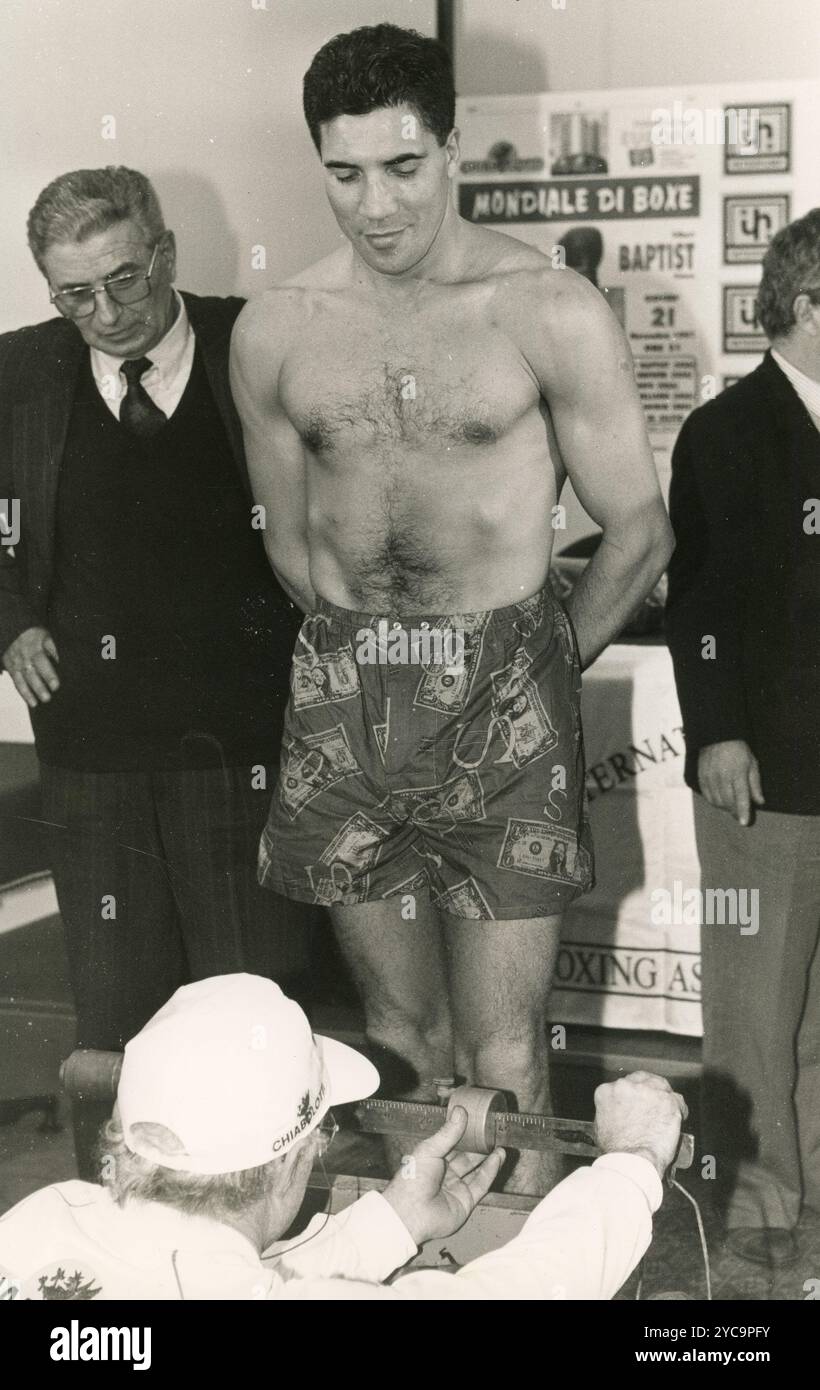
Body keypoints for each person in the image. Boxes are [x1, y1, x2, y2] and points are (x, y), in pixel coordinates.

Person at [230, 24, 673, 1195]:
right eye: (344, 173)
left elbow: (639, 528)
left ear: (452, 147)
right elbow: (287, 536)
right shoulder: (275, 329)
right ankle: (417, 1260)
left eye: (403, 166)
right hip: (344, 696)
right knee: (395, 1037)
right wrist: (372, 649)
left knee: (502, 1049)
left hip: (505, 690)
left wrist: (532, 668)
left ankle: (523, 1267)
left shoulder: (545, 308)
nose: (375, 205)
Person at [0, 166, 307, 1178]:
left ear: (165, 254)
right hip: (90, 751)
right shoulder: (19, 371)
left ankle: (260, 1217)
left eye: (124, 280)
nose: (105, 314)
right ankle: (114, 1220)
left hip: (240, 746)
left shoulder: (249, 342)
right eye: (74, 295)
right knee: (114, 1016)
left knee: (249, 1003)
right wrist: (11, 626)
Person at [0, 974, 686, 1300]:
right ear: (293, 1159)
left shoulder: (40, 1219)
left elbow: (221, 1274)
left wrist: (393, 1221)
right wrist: (633, 1159)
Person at [665, 207, 820, 1268]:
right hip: (761, 777)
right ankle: (755, 1220)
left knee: (813, 1016)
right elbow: (700, 603)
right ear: (808, 307)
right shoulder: (725, 431)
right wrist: (718, 735)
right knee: (754, 1006)